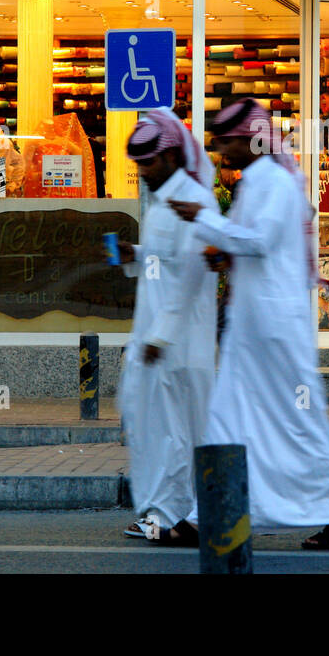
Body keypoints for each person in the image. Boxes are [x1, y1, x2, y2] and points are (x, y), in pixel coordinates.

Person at [169, 98, 329, 550]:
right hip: (251, 327)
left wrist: (204, 219)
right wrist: (220, 251)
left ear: (250, 138)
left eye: (227, 139)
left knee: (300, 422)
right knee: (229, 418)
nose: (220, 147)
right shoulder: (255, 182)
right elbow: (247, 245)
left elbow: (257, 242)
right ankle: (212, 512)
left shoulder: (274, 183)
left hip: (276, 327)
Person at [114, 108, 219, 541]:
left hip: (179, 341)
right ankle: (168, 511)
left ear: (173, 155)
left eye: (150, 162)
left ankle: (171, 515)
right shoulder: (165, 198)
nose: (143, 171)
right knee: (157, 429)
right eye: (139, 164)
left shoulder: (193, 200)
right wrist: (135, 255)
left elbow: (193, 276)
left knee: (175, 435)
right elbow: (167, 261)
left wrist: (162, 336)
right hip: (159, 335)